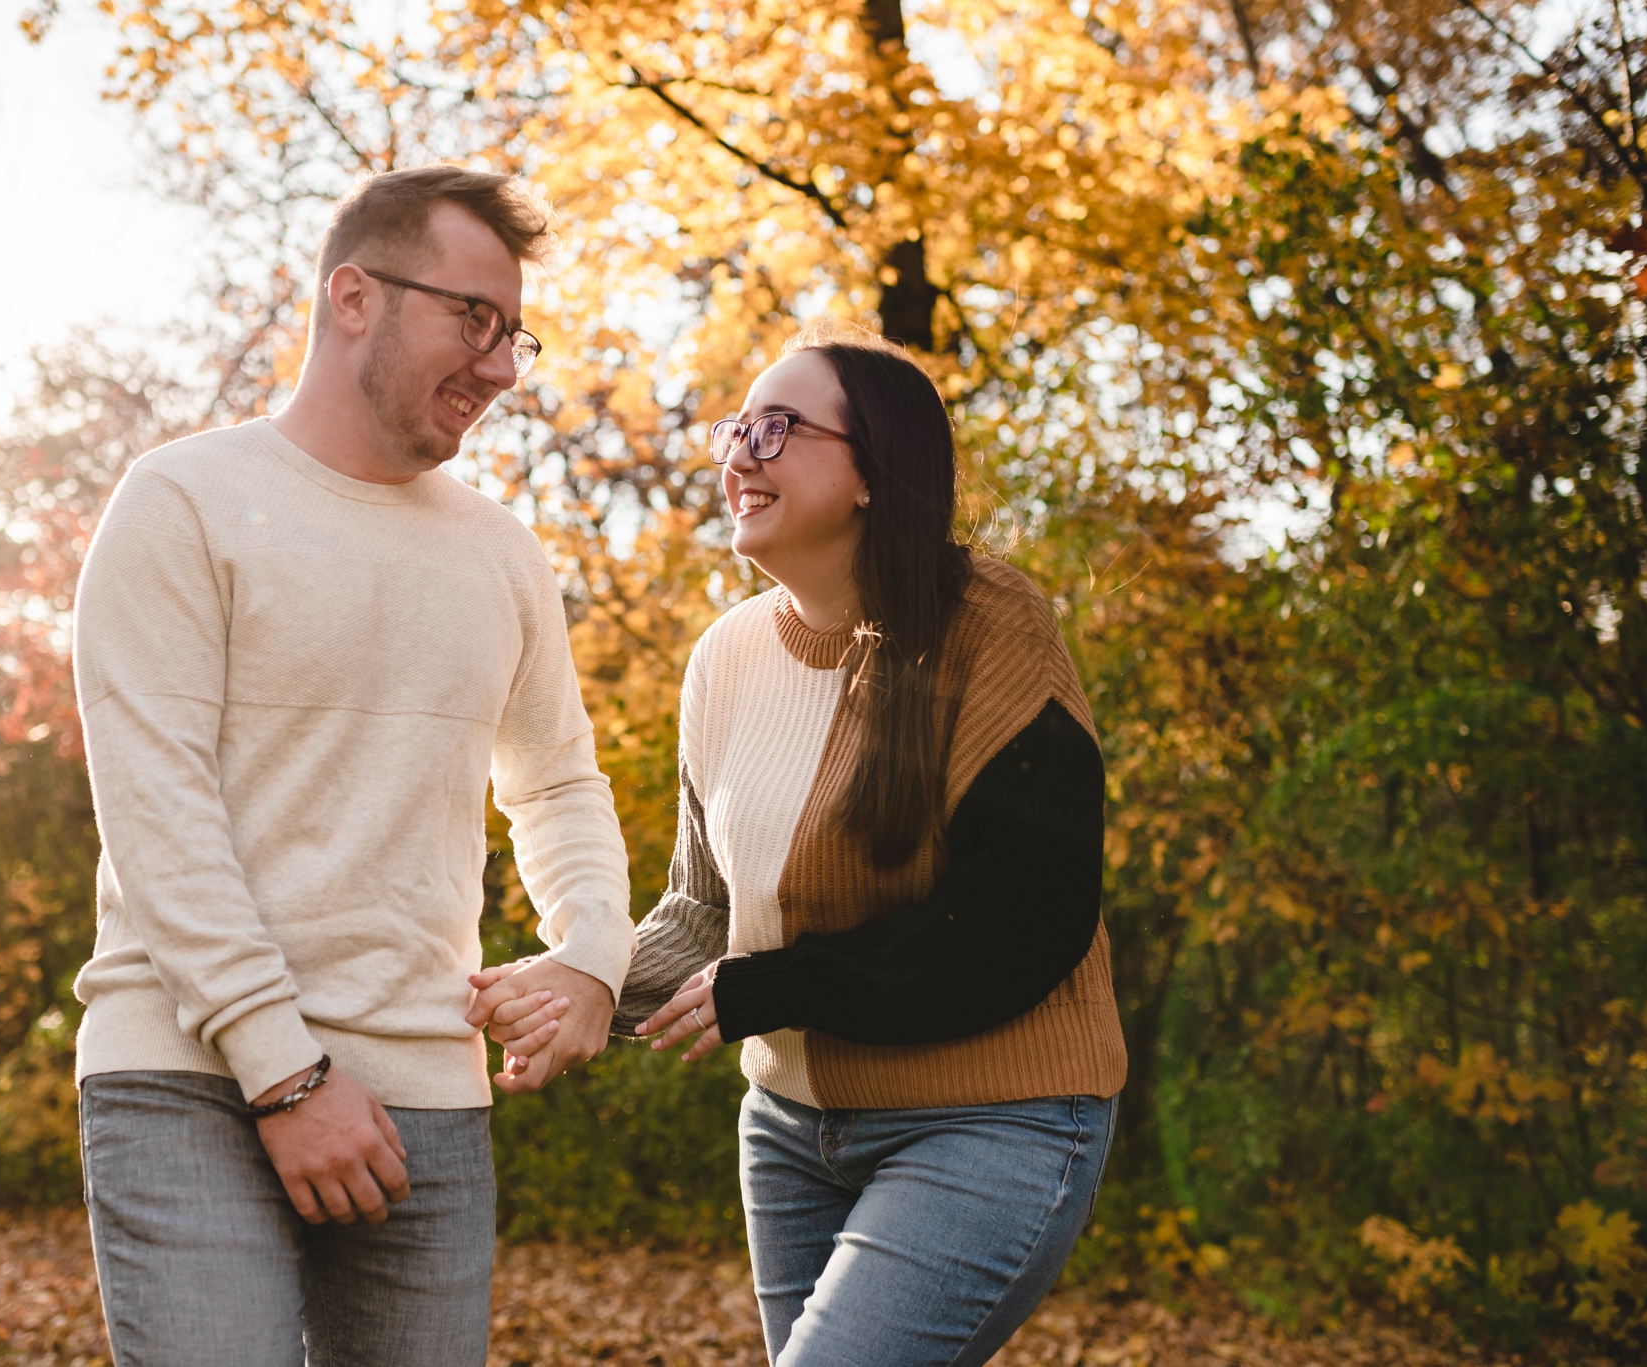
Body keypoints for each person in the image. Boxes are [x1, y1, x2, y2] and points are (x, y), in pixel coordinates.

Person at [477, 325, 1128, 1366]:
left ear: (875, 468)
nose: (739, 451)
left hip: (990, 1120)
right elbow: (700, 910)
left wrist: (775, 987)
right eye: (734, 427)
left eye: (775, 427)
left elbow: (1023, 916)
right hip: (788, 1133)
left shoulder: (990, 623)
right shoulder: (725, 654)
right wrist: (584, 978)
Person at [70, 165, 634, 1367]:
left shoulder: (502, 555)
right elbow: (158, 811)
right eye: (471, 320)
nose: (498, 366)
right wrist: (286, 1075)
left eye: (513, 334)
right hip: (192, 1077)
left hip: (427, 1094)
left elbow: (556, 785)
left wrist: (591, 953)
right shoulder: (183, 501)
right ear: (353, 297)